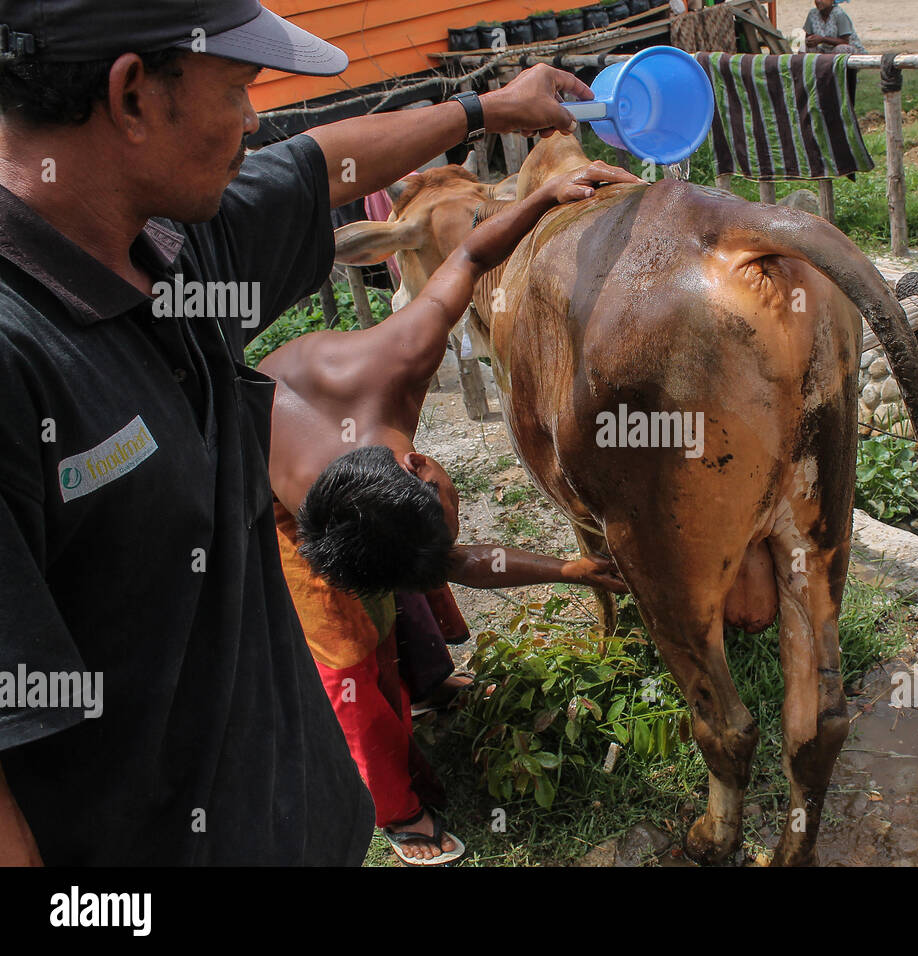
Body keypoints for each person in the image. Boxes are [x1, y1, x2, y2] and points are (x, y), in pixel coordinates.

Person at [0, 0, 600, 865]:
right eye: (240, 89)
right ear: (132, 96)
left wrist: (488, 109)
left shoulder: (168, 248)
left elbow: (319, 166)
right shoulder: (21, 365)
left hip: (304, 823)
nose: (256, 121)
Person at [259, 159, 637, 865]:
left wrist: (548, 193)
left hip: (342, 466)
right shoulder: (303, 505)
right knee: (351, 661)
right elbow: (454, 559)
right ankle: (397, 810)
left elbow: (469, 251)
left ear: (416, 463)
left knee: (416, 575)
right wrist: (568, 568)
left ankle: (429, 682)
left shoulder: (399, 353)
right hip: (270, 500)